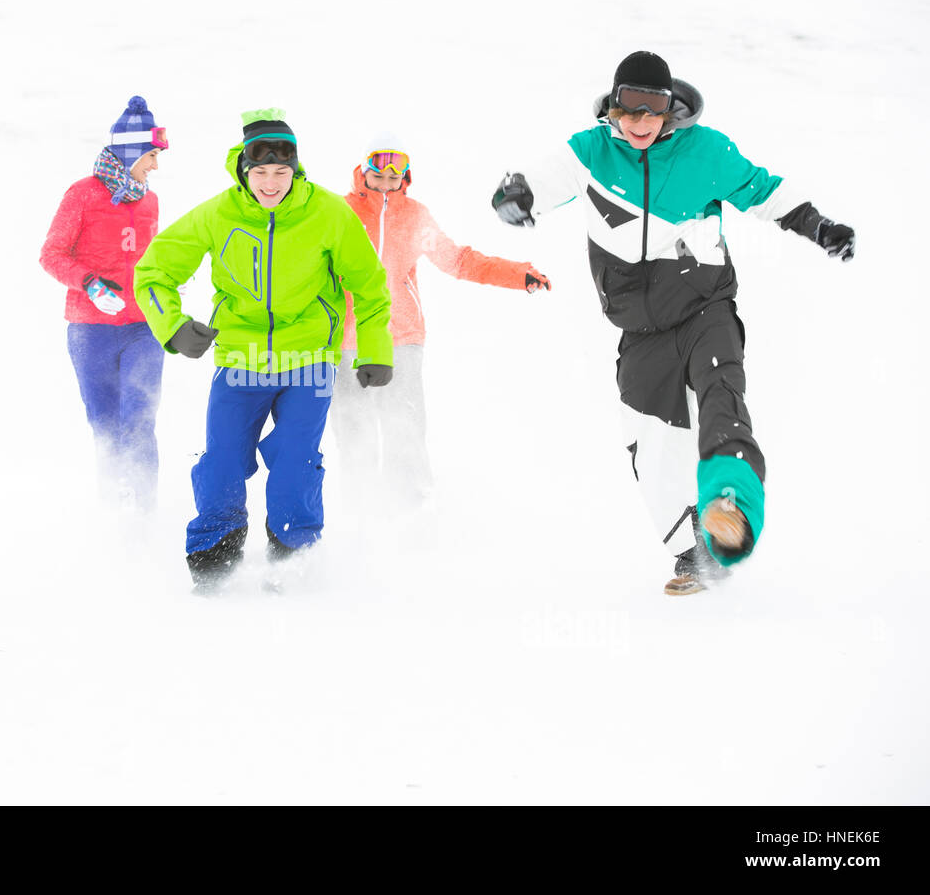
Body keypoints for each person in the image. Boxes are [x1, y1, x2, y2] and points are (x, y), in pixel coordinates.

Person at [492, 51, 855, 595]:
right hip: (639, 330)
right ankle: (694, 550)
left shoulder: (704, 150)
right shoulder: (590, 151)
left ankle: (729, 507)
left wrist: (820, 226)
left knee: (720, 395)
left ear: (670, 109)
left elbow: (763, 191)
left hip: (705, 306)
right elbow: (547, 176)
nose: (640, 123)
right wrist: (517, 193)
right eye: (629, 110)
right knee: (648, 441)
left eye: (653, 110)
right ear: (612, 108)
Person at [134, 109, 393, 589]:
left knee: (295, 461)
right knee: (223, 463)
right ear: (243, 170)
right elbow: (153, 271)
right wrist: (172, 327)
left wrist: (375, 349)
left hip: (309, 359)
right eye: (261, 172)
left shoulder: (328, 213)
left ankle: (292, 558)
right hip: (240, 359)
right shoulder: (217, 214)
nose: (271, 183)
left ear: (295, 170)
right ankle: (216, 559)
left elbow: (371, 286)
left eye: (281, 172)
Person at [334, 134, 551, 509]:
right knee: (352, 426)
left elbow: (459, 261)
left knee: (403, 423)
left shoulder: (414, 215)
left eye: (394, 176)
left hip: (400, 334)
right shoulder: (339, 211)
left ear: (405, 177)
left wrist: (516, 274)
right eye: (378, 173)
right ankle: (361, 505)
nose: (386, 182)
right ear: (364, 170)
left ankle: (411, 503)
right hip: (344, 338)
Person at [39, 95, 168, 511]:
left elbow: (149, 260)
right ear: (130, 152)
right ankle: (115, 511)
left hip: (142, 329)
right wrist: (90, 284)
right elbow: (52, 254)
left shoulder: (149, 200)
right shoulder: (82, 194)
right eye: (150, 156)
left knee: (141, 420)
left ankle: (143, 512)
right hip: (90, 331)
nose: (154, 166)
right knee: (106, 427)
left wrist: (164, 283)